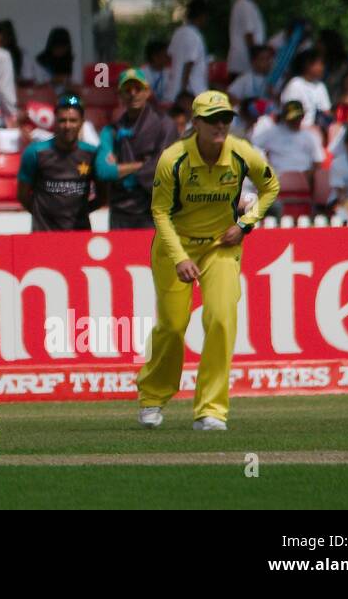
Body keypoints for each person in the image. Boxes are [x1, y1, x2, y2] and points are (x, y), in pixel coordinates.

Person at [137, 91, 279, 432]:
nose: (220, 126)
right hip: (176, 248)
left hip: (221, 247)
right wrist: (180, 257)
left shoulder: (243, 153)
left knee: (220, 319)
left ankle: (211, 409)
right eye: (212, 119)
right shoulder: (174, 159)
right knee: (172, 326)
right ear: (195, 123)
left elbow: (271, 187)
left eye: (226, 119)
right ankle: (153, 397)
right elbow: (159, 211)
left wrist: (245, 224)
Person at [94, 69, 177, 229]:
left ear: (147, 92)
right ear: (120, 95)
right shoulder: (111, 131)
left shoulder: (165, 125)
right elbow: (104, 171)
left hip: (154, 212)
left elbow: (161, 168)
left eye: (138, 89)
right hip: (119, 213)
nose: (133, 94)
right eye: (127, 90)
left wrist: (120, 169)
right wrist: (141, 164)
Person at [18, 93, 100, 231]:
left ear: (81, 122)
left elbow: (103, 196)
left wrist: (80, 213)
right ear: (55, 121)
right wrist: (44, 215)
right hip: (44, 235)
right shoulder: (35, 153)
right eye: (63, 120)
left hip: (79, 233)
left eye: (73, 120)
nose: (67, 126)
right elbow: (22, 195)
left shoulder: (92, 154)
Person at [253, 101, 323, 212]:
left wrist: (308, 176)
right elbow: (253, 146)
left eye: (298, 117)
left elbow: (318, 161)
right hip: (277, 179)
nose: (295, 121)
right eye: (292, 118)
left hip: (304, 179)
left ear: (303, 116)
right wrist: (265, 163)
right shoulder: (272, 132)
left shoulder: (310, 136)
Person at [163, 0, 209, 104]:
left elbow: (169, 58)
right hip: (191, 93)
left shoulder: (178, 32)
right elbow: (189, 64)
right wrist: (183, 91)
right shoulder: (194, 36)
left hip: (173, 90)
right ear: (202, 16)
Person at [227, 0, 269, 79]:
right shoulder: (245, 5)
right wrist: (257, 60)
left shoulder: (247, 5)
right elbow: (248, 35)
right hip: (244, 65)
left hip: (246, 64)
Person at [280, 48, 333, 128]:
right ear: (308, 64)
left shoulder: (320, 86)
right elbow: (289, 111)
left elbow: (326, 111)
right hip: (296, 127)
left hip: (315, 129)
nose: (322, 68)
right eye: (320, 64)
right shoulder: (296, 84)